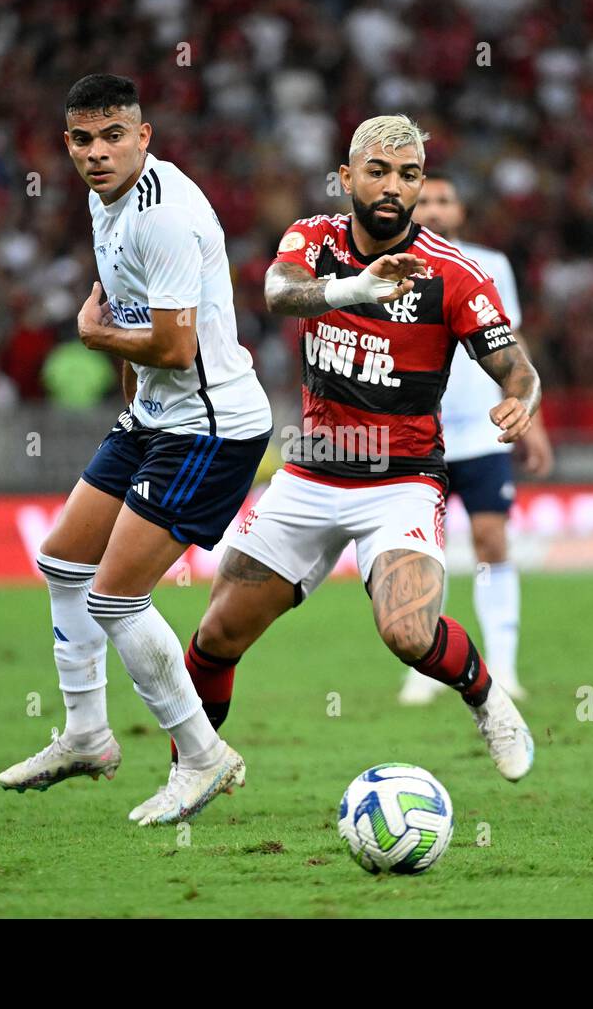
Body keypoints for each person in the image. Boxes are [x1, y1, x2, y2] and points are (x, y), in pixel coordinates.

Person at [128, 115, 540, 822]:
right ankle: (193, 769)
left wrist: (520, 400)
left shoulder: (454, 273)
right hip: (311, 475)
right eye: (377, 171)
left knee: (409, 633)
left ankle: (486, 697)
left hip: (402, 481)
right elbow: (280, 293)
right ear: (347, 178)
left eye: (408, 174)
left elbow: (517, 366)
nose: (393, 186)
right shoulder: (314, 237)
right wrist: (358, 287)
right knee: (217, 637)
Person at [0, 75, 273, 828]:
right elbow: (129, 305)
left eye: (113, 135)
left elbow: (178, 345)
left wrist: (95, 339)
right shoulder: (103, 198)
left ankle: (203, 756)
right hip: (157, 417)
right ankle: (87, 734)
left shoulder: (165, 217)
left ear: (143, 137)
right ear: (68, 144)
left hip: (212, 427)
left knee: (115, 597)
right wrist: (131, 396)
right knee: (61, 561)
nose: (97, 152)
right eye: (83, 139)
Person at [398, 173, 553, 705]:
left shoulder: (491, 265)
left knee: (491, 541)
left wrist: (534, 419)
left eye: (447, 200)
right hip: (420, 434)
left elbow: (512, 344)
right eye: (427, 202)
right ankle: (424, 661)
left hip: (484, 431)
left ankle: (503, 665)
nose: (437, 210)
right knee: (422, 552)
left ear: (461, 211)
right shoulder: (393, 269)